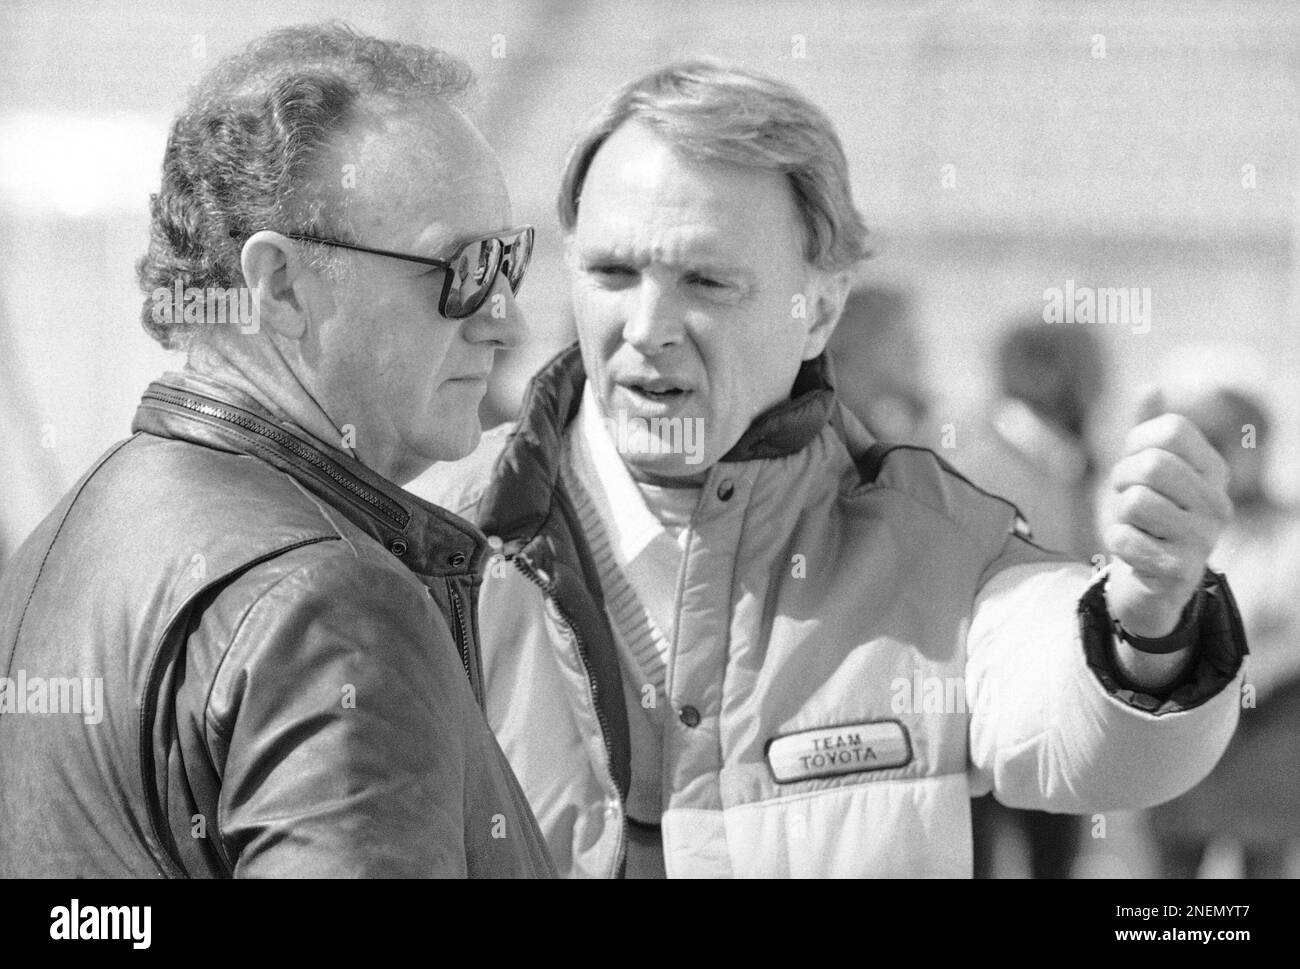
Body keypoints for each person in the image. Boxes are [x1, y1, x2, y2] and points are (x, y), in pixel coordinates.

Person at [411, 61, 1248, 878]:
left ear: (822, 309)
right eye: (613, 272)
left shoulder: (938, 547)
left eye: (706, 280)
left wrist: (1148, 622)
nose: (649, 325)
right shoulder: (417, 539)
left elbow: (1087, 738)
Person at [0, 23, 553, 878]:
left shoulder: (67, 540)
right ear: (282, 288)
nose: (505, 316)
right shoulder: (333, 603)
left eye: (510, 259)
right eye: (466, 265)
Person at [952, 318, 1108, 878]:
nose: (1102, 389)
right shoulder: (977, 461)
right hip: (980, 710)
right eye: (1093, 374)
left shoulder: (1069, 461)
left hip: (1056, 702)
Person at [1145, 384, 1300, 877]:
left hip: (1265, 739)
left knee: (1263, 864)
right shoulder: (1169, 530)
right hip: (1181, 746)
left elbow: (1290, 636)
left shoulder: (1288, 529)